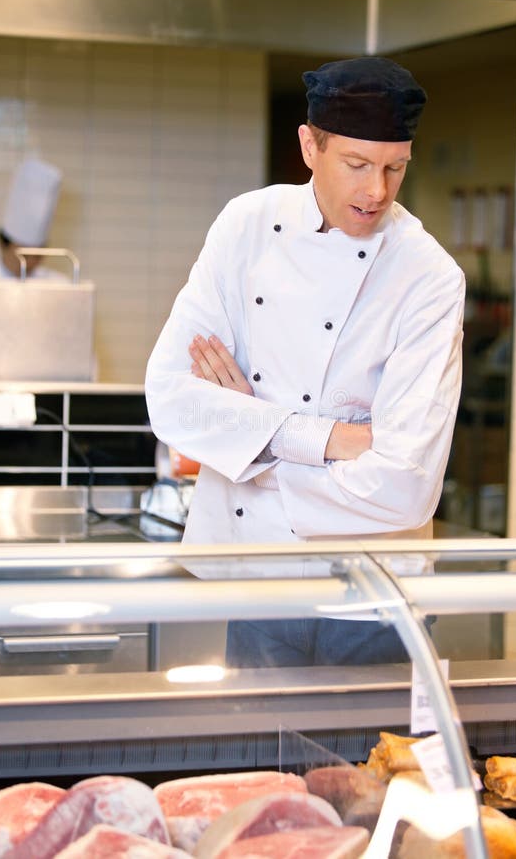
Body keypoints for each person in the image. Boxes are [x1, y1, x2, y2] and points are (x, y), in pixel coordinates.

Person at [145, 56, 465, 667]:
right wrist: (326, 440)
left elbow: (406, 486)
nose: (377, 191)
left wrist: (248, 445)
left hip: (372, 593)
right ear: (309, 147)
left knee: (364, 763)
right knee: (258, 761)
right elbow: (170, 397)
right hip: (257, 577)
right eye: (357, 165)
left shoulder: (429, 277)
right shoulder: (245, 227)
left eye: (395, 168)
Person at [0, 158, 63, 279]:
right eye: (24, 256)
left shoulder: (57, 284)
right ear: (2, 244)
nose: (30, 263)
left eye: (38, 256)